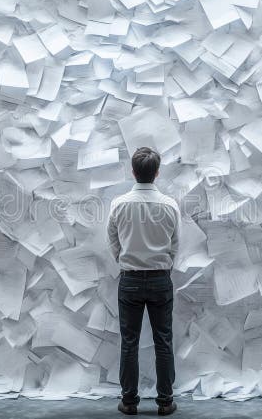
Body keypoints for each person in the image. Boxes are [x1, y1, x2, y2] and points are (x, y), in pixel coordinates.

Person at [107, 147, 180, 416]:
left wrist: (125, 261)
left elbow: (113, 241)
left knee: (129, 342)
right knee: (164, 341)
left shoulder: (118, 204)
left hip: (130, 280)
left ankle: (129, 402)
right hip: (161, 279)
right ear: (157, 172)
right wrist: (163, 266)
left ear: (133, 171)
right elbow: (175, 245)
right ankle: (165, 402)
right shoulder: (170, 205)